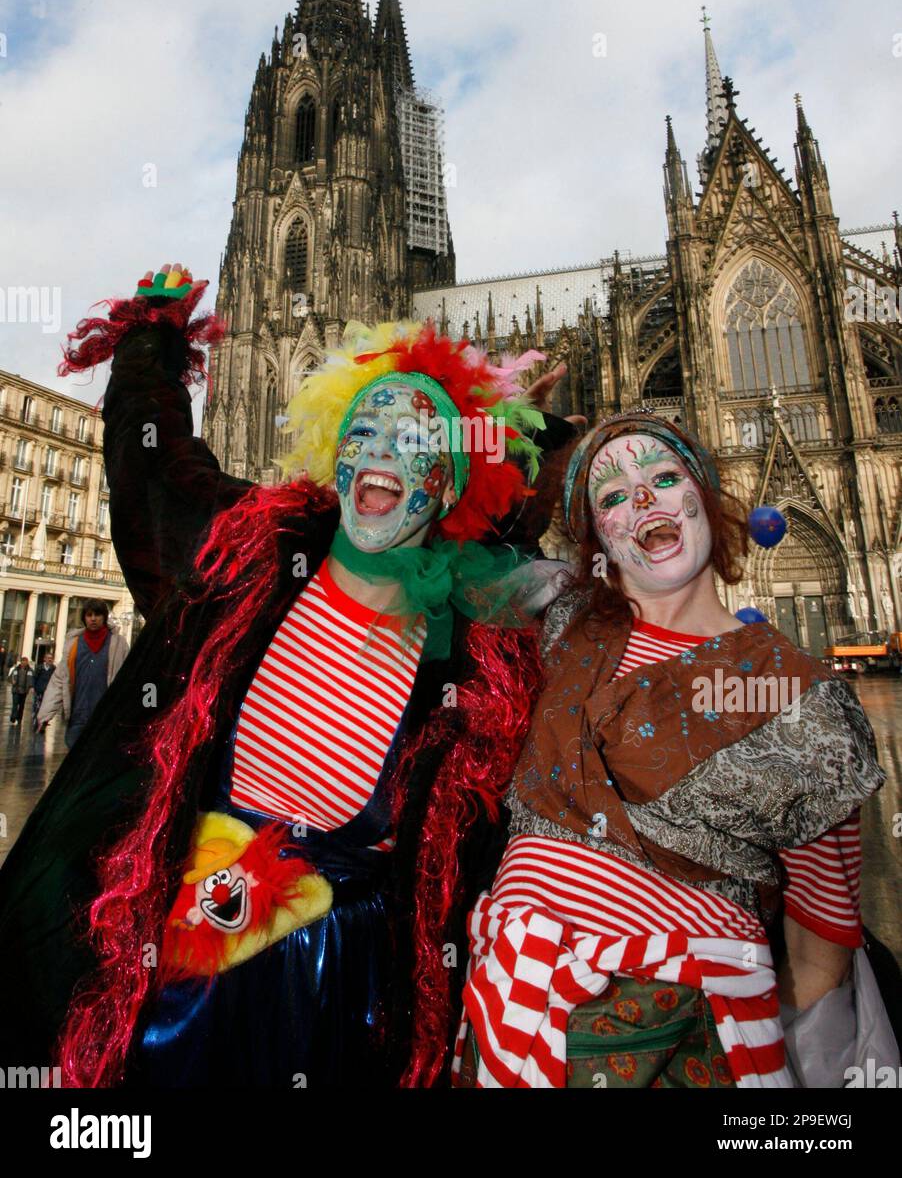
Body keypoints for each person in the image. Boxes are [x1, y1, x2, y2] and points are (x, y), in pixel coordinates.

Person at [0, 262, 572, 1089]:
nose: (379, 455)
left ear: (448, 480)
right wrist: (153, 339)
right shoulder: (251, 558)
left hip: (343, 999)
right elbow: (156, 477)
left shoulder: (481, 647)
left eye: (413, 442)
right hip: (172, 986)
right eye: (361, 434)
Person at [445, 411, 896, 1089]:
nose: (644, 500)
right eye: (614, 497)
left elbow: (818, 958)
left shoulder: (803, 699)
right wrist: (505, 422)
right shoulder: (564, 627)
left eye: (662, 477)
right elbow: (443, 564)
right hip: (506, 1018)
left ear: (707, 498)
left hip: (679, 1048)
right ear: (595, 536)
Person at [37, 603, 128, 747]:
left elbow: (127, 679)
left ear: (104, 617)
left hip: (104, 719)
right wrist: (45, 714)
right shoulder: (74, 644)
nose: (93, 619)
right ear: (84, 618)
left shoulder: (118, 643)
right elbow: (59, 680)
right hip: (77, 716)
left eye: (97, 615)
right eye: (89, 615)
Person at [31, 653, 56, 729]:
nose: (49, 659)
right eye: (48, 658)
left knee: (46, 708)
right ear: (44, 659)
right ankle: (36, 721)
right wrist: (32, 687)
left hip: (48, 692)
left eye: (51, 658)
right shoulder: (39, 667)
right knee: (37, 707)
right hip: (39, 690)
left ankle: (43, 723)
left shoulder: (53, 668)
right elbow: (34, 677)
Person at [7, 657, 33, 726]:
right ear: (21, 662)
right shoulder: (15, 669)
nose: (24, 663)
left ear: (27, 662)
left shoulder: (30, 670)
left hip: (24, 691)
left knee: (21, 706)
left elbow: (32, 680)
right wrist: (12, 681)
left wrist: (30, 686)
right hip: (16, 690)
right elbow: (9, 678)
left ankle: (19, 718)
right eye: (23, 661)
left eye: (25, 661)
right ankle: (13, 718)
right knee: (15, 705)